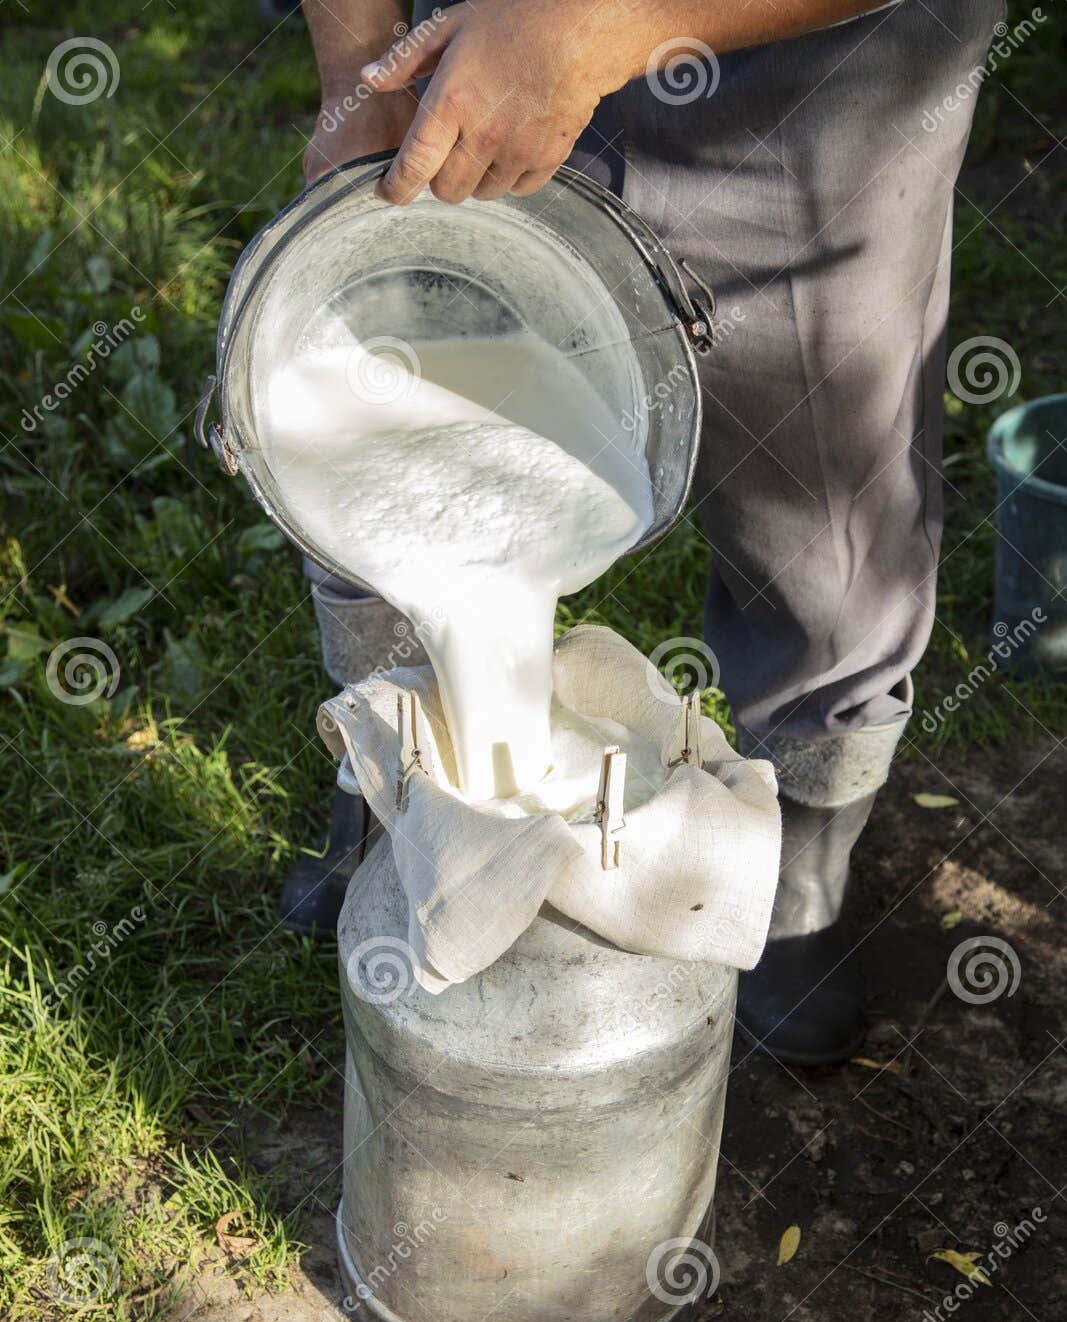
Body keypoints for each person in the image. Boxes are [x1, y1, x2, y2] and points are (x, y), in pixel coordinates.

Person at [283, 0, 1004, 1067]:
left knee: (817, 470)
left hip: (811, 69)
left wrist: (613, 26)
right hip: (468, 30)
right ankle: (399, 789)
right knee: (398, 389)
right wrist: (358, 70)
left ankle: (795, 847)